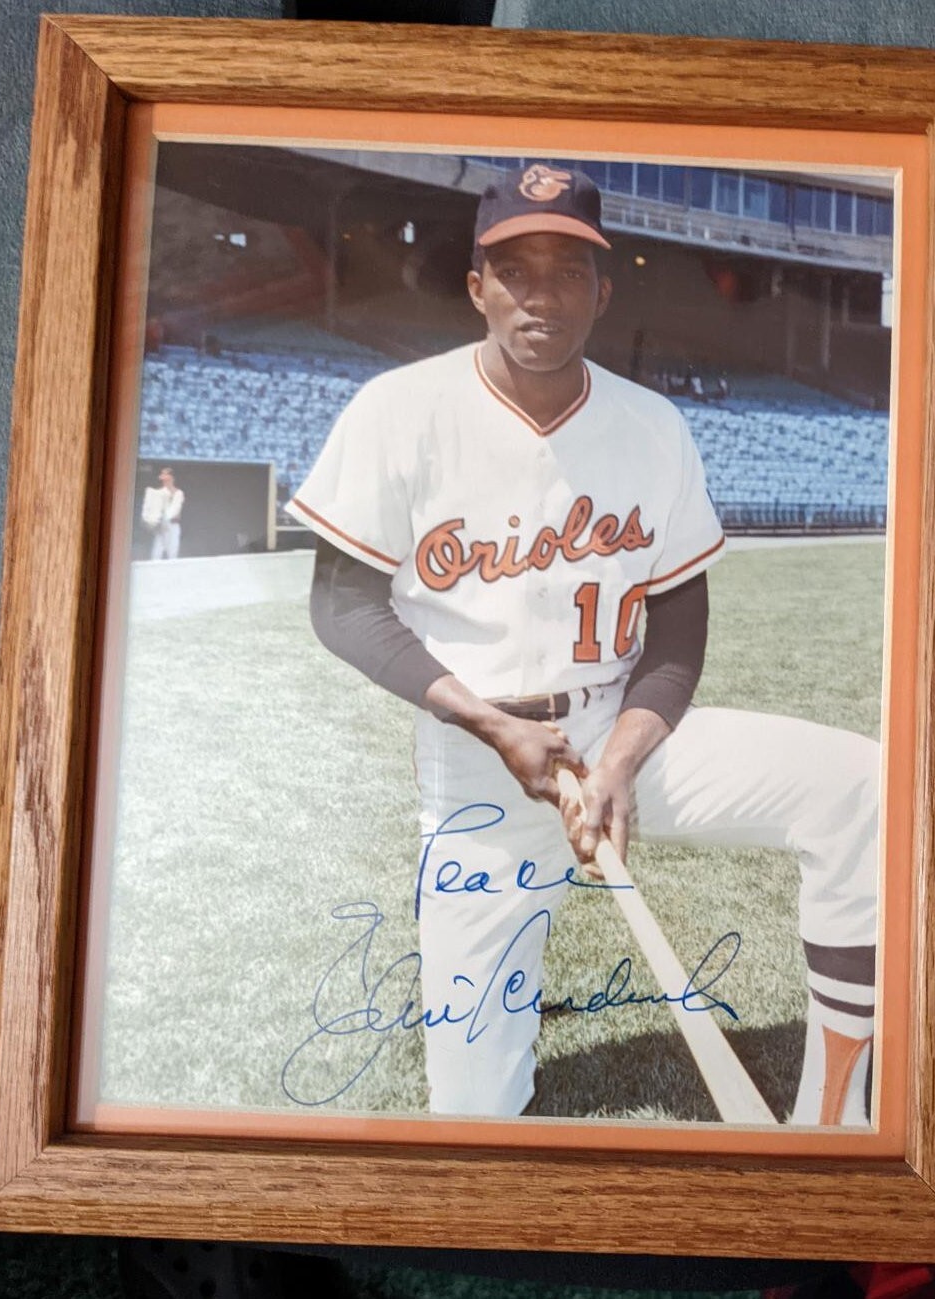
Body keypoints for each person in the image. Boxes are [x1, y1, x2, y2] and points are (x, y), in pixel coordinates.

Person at [287, 163, 878, 1125]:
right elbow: (343, 606)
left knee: (863, 786)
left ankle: (835, 1120)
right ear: (478, 285)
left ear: (603, 293)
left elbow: (679, 626)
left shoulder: (653, 426)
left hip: (617, 729)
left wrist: (622, 759)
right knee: (473, 1115)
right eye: (517, 268)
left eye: (570, 271)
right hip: (478, 765)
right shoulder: (399, 409)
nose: (543, 294)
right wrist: (485, 721)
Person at [143, 466, 184, 560]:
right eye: (163, 476)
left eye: (167, 476)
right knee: (156, 554)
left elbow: (175, 511)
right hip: (161, 527)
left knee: (173, 554)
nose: (164, 479)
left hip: (173, 526)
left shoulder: (178, 493)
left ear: (172, 478)